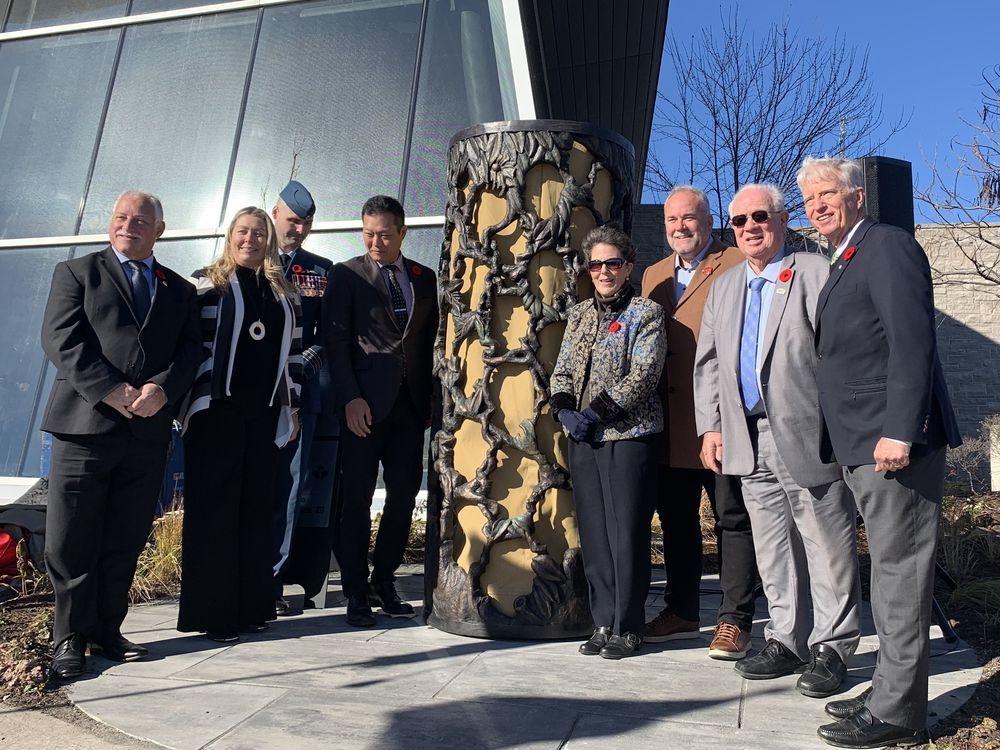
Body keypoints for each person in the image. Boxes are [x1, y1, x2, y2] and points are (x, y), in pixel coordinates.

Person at [797, 157, 962, 748]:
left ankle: (899, 714)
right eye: (809, 198)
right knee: (889, 575)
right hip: (862, 442)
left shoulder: (887, 246)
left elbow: (912, 344)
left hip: (891, 442)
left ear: (858, 196)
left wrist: (901, 429)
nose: (817, 206)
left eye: (827, 194)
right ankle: (892, 689)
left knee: (899, 576)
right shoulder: (848, 257)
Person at [693, 184, 861, 698]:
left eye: (759, 216)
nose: (749, 227)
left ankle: (832, 645)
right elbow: (710, 364)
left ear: (783, 220)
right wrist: (712, 426)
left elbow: (840, 353)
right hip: (746, 436)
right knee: (771, 546)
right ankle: (787, 638)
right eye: (739, 219)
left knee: (826, 542)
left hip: (806, 434)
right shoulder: (724, 287)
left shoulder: (813, 272)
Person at [40, 191, 201, 678]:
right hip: (84, 426)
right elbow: (60, 338)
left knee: (125, 536)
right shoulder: (76, 273)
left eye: (140, 220)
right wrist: (109, 389)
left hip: (146, 433)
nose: (128, 225)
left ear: (160, 230)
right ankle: (69, 637)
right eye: (121, 218)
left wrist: (162, 390)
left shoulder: (180, 290)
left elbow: (190, 352)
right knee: (70, 538)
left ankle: (108, 630)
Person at [640, 185, 760, 659]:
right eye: (672, 220)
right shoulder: (652, 274)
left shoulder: (735, 264)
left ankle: (735, 620)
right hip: (669, 423)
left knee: (733, 518)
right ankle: (682, 611)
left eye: (689, 218)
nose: (680, 227)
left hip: (721, 419)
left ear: (709, 221)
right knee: (676, 521)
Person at [177, 207, 302, 643]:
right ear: (230, 236)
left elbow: (296, 357)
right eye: (242, 232)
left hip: (264, 414)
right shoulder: (204, 284)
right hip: (216, 412)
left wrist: (295, 407)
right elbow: (188, 346)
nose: (250, 239)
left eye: (258, 233)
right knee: (215, 513)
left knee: (255, 510)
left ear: (269, 240)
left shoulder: (285, 294)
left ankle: (251, 607)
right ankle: (213, 613)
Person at [550, 225, 666, 660]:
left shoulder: (646, 313)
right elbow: (562, 370)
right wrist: (564, 411)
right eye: (595, 264)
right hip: (584, 439)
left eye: (612, 263)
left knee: (626, 534)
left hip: (629, 437)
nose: (603, 271)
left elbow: (643, 375)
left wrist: (593, 413)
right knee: (596, 534)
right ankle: (602, 621)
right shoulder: (579, 314)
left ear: (628, 266)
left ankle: (628, 625)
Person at [323, 195, 438, 627]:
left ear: (402, 233)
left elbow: (429, 341)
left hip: (410, 408)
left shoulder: (424, 278)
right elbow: (336, 342)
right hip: (363, 407)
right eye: (368, 233)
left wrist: (430, 400)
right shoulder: (346, 275)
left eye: (384, 234)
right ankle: (355, 588)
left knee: (404, 496)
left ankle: (383, 579)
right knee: (354, 499)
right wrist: (349, 398)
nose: (374, 241)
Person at [269, 181, 339, 616]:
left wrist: (296, 371)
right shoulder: (249, 258)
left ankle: (273, 581)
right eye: (293, 220)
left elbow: (327, 334)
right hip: (249, 399)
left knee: (291, 492)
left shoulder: (321, 270)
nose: (299, 229)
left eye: (306, 223)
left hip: (299, 399)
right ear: (274, 214)